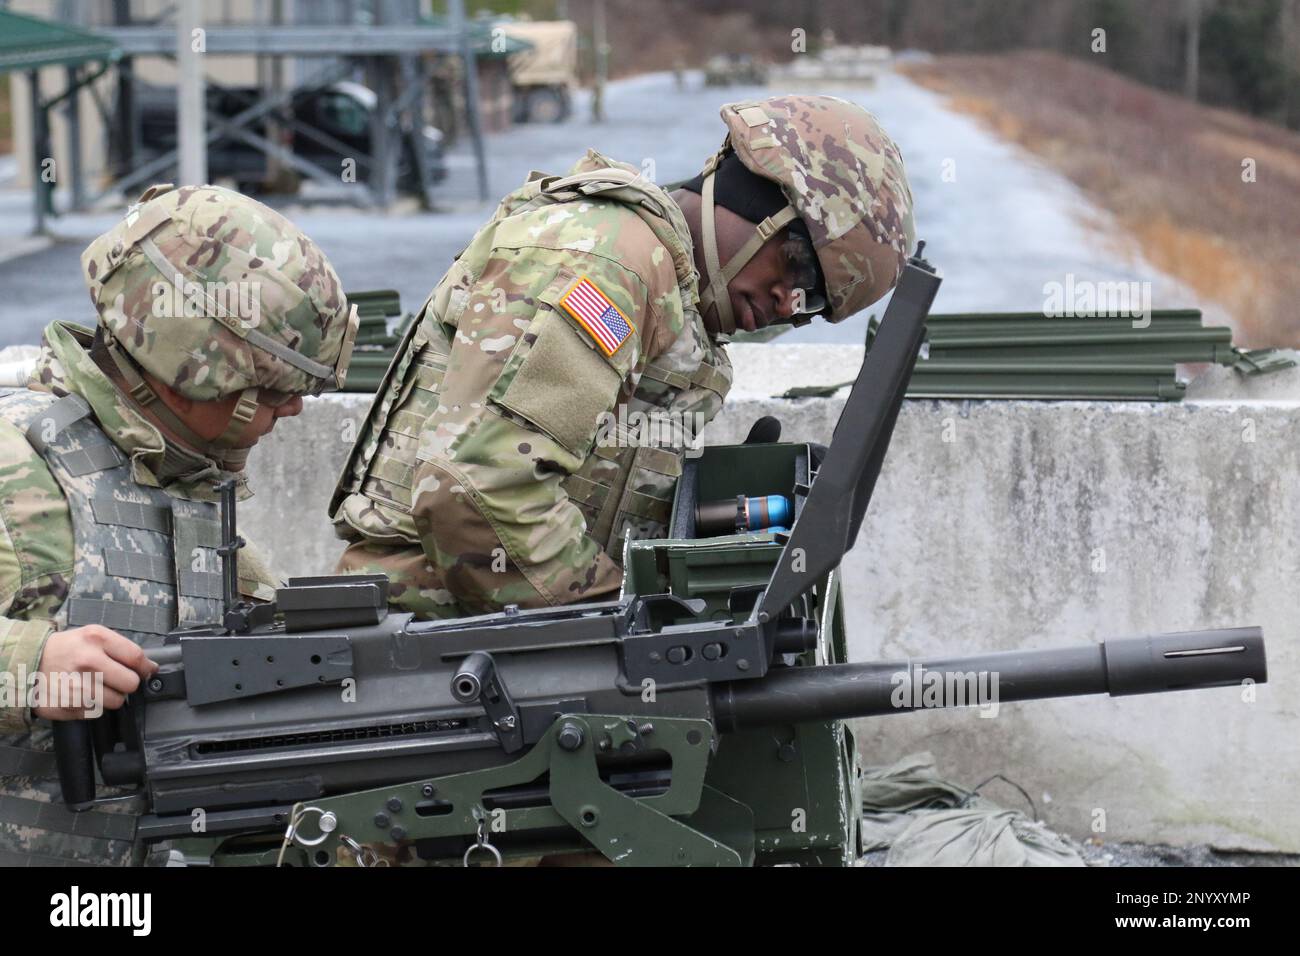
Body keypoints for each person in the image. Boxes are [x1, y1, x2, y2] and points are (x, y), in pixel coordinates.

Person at [331, 94, 914, 621]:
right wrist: (627, 620)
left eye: (814, 303)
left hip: (481, 637)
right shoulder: (609, 263)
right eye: (799, 270)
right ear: (758, 206)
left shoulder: (668, 289)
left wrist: (701, 510)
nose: (790, 306)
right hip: (429, 645)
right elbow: (477, 489)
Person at [0, 183, 358, 865]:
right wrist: (25, 664)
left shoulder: (176, 472)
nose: (290, 414)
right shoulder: (17, 462)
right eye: (276, 390)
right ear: (189, 370)